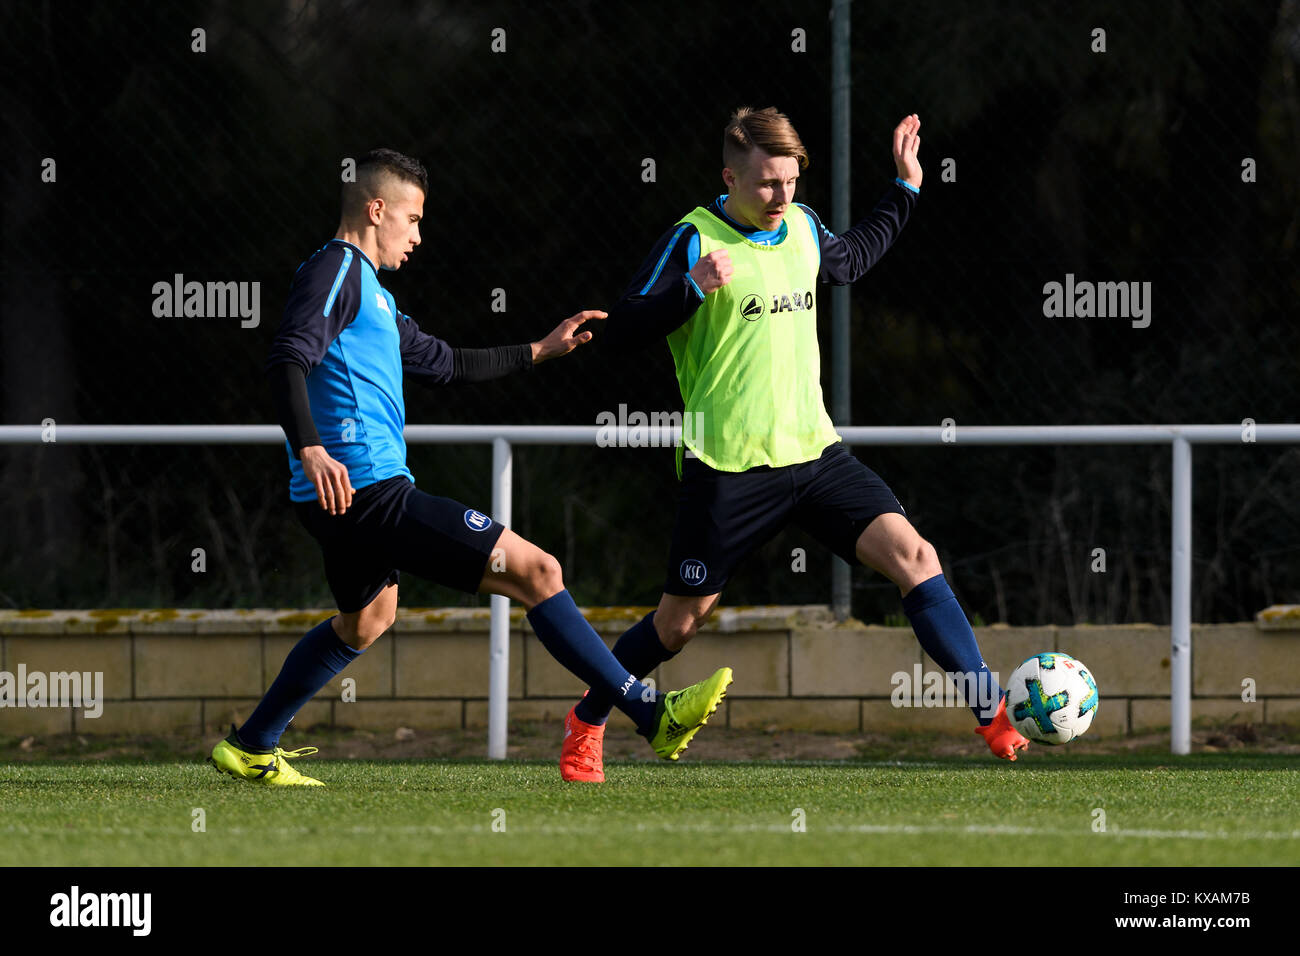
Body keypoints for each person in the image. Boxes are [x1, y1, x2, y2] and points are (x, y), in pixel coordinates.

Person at [209, 148, 732, 786]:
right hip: (366, 490)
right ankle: (650, 711)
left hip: (342, 501)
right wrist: (312, 446)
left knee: (366, 619)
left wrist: (541, 350)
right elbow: (287, 357)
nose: (418, 235)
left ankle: (252, 744)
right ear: (376, 210)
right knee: (540, 571)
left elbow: (446, 363)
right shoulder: (336, 269)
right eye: (413, 218)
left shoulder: (371, 293)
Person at [558, 109, 1027, 783]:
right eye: (767, 184)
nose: (782, 196)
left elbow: (852, 258)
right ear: (730, 177)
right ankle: (589, 717)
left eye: (791, 181)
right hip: (727, 467)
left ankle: (991, 712)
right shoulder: (693, 239)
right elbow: (622, 327)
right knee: (677, 626)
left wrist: (906, 186)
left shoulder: (803, 226)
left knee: (915, 557)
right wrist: (689, 292)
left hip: (814, 454)